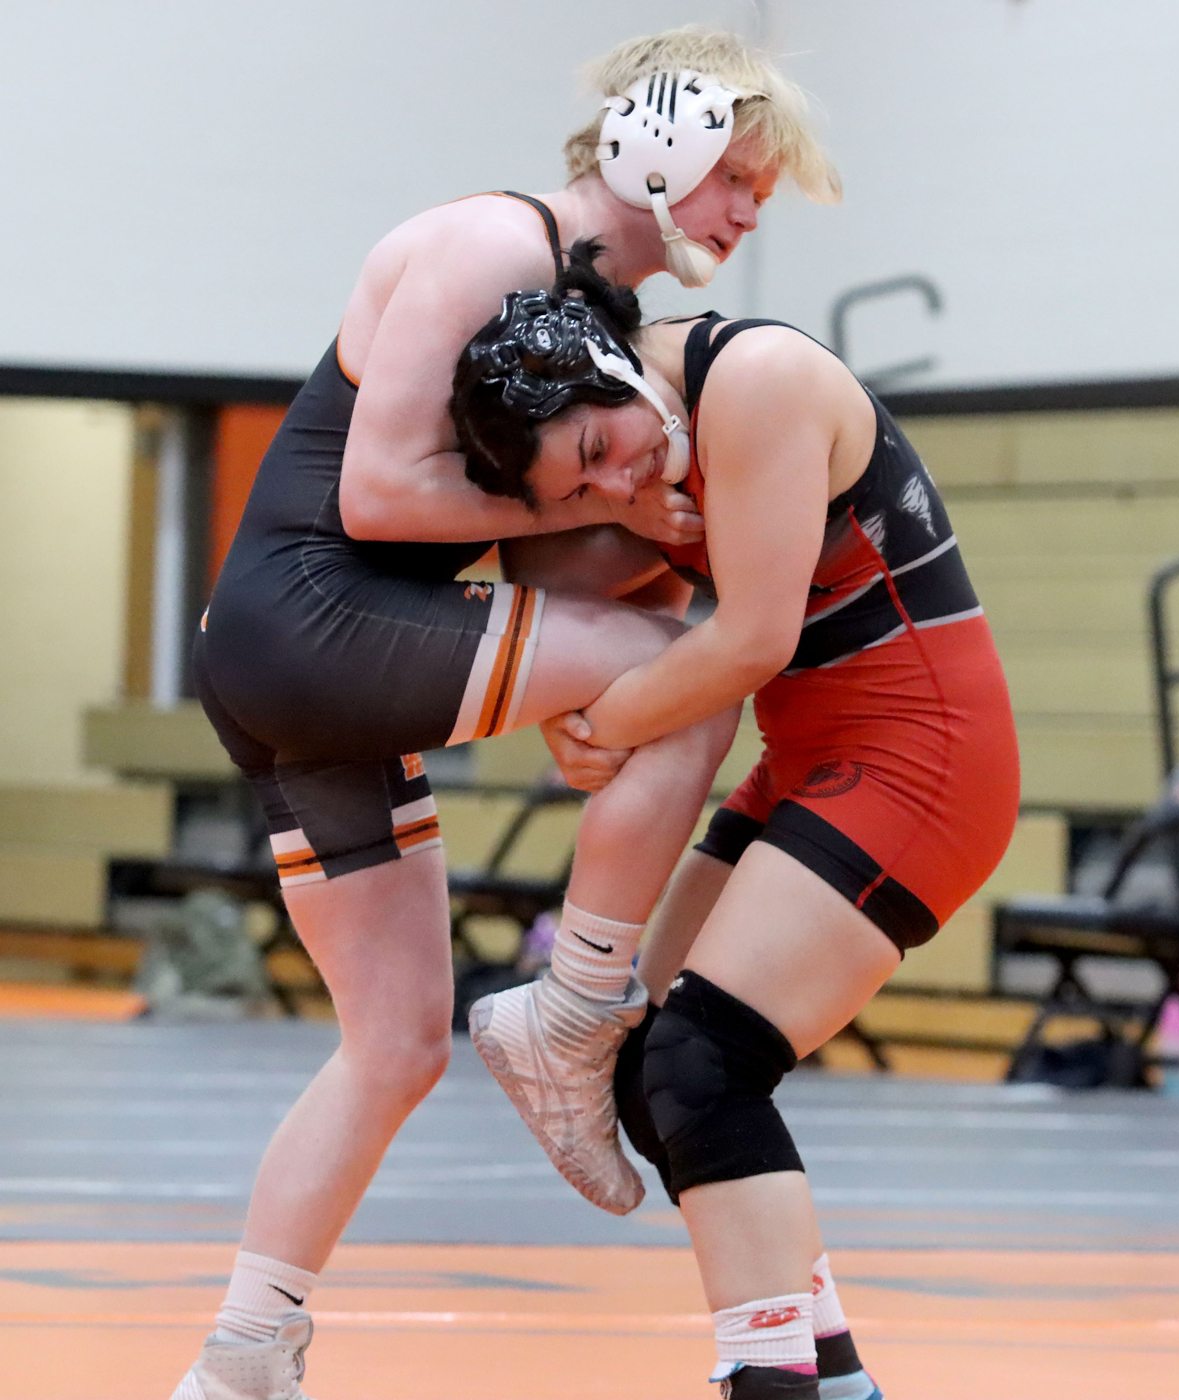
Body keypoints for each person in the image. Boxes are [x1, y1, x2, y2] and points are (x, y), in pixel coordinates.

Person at [168, 26, 847, 1400]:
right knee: (689, 670)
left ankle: (243, 1352)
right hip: (311, 616)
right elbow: (376, 496)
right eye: (739, 175)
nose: (748, 208)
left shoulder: (589, 317)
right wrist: (611, 517)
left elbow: (546, 558)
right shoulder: (494, 247)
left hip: (314, 664)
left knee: (398, 1041)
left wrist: (617, 561)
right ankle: (581, 1001)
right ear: (666, 146)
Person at [452, 254, 1021, 1400]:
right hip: (812, 757)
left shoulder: (753, 380)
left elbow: (750, 639)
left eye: (608, 443)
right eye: (587, 480)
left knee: (705, 1064)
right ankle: (834, 1378)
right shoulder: (642, 444)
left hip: (922, 757)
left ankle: (771, 1384)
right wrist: (608, 527)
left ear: (616, 364)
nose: (621, 475)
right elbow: (548, 567)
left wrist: (593, 719)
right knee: (647, 1078)